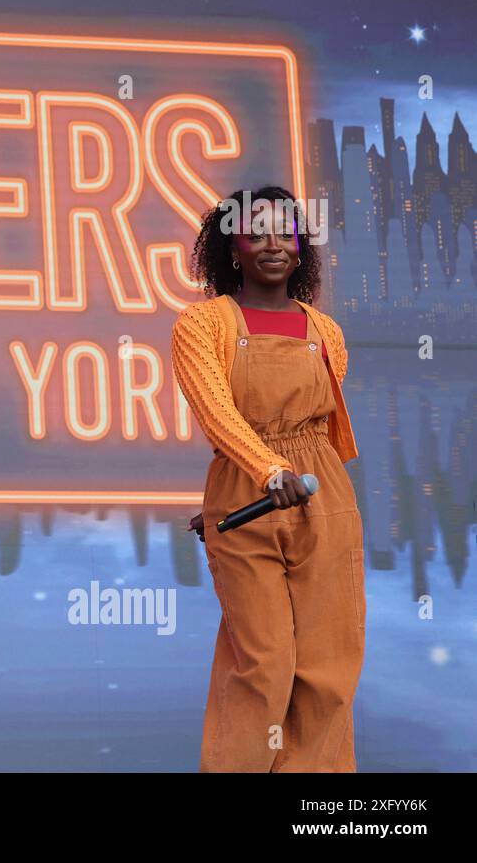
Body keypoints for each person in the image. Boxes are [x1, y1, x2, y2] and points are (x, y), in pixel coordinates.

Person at [170, 185, 365, 772]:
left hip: (322, 494)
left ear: (301, 249)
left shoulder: (324, 330)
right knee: (264, 665)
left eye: (286, 232)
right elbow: (216, 412)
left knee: (329, 664)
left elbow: (320, 422)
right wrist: (265, 470)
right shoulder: (202, 324)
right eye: (257, 232)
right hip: (249, 492)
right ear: (233, 249)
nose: (274, 244)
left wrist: (303, 475)